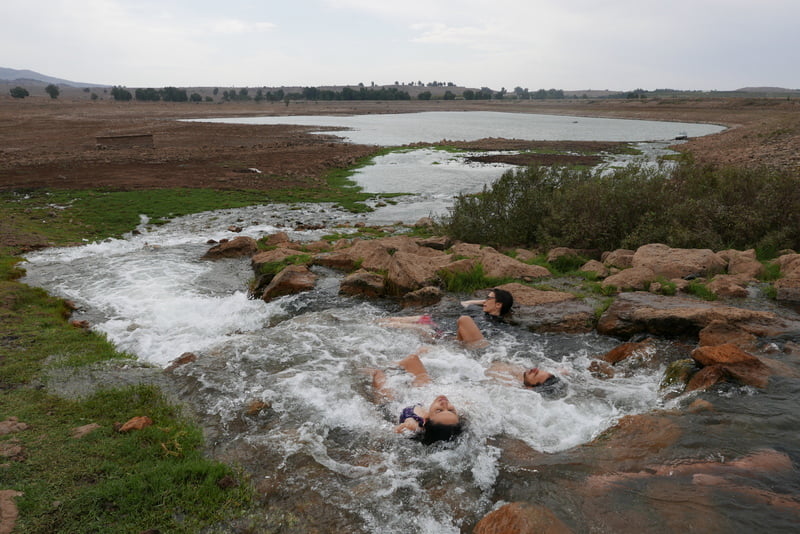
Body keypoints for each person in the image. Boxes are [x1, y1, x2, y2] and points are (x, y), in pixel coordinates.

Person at [369, 348, 463, 445]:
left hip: (391, 404)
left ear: (426, 420)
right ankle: (394, 365)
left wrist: (403, 427)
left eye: (439, 410)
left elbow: (393, 432)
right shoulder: (452, 418)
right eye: (451, 410)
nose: (445, 404)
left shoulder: (415, 426)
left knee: (378, 373)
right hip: (416, 398)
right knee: (412, 359)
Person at [377, 287, 515, 349]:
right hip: (434, 322)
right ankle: (370, 323)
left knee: (396, 326)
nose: (485, 301)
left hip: (439, 334)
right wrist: (484, 302)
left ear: (498, 304)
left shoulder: (497, 325)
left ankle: (369, 328)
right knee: (389, 320)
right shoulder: (478, 310)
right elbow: (465, 303)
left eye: (488, 298)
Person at [485, 361, 566, 397]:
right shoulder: (523, 372)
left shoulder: (509, 385)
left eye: (535, 374)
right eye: (538, 370)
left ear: (530, 387)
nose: (535, 369)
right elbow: (562, 370)